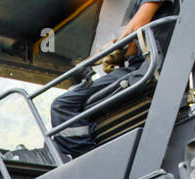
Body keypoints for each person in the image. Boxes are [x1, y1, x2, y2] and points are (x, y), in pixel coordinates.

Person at [50, 1, 178, 159]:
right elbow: (134, 46)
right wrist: (119, 54)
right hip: (142, 64)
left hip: (146, 67)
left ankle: (89, 162)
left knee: (63, 106)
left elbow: (138, 27)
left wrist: (113, 48)